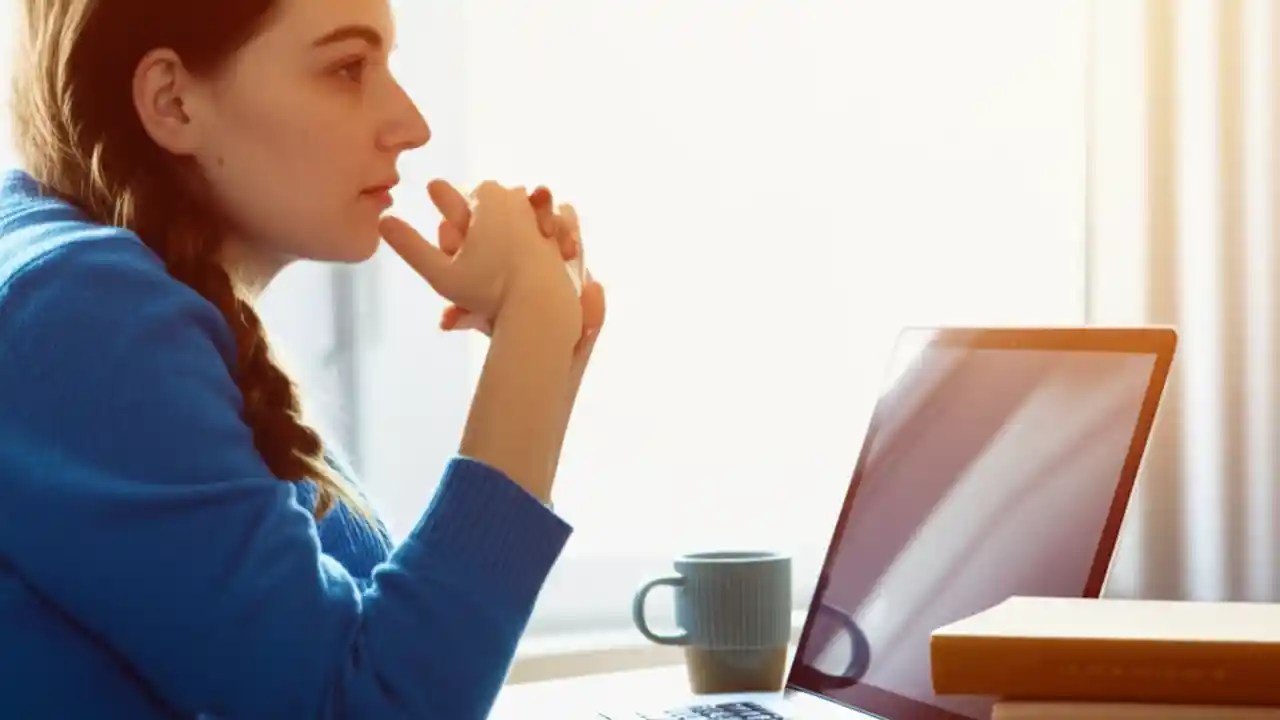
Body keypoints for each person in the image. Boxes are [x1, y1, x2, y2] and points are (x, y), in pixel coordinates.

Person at [0, 0, 606, 717]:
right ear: (172, 102)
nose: (412, 125)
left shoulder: (98, 291)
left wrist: (545, 346)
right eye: (347, 68)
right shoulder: (83, 314)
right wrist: (531, 331)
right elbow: (369, 705)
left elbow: (376, 654)